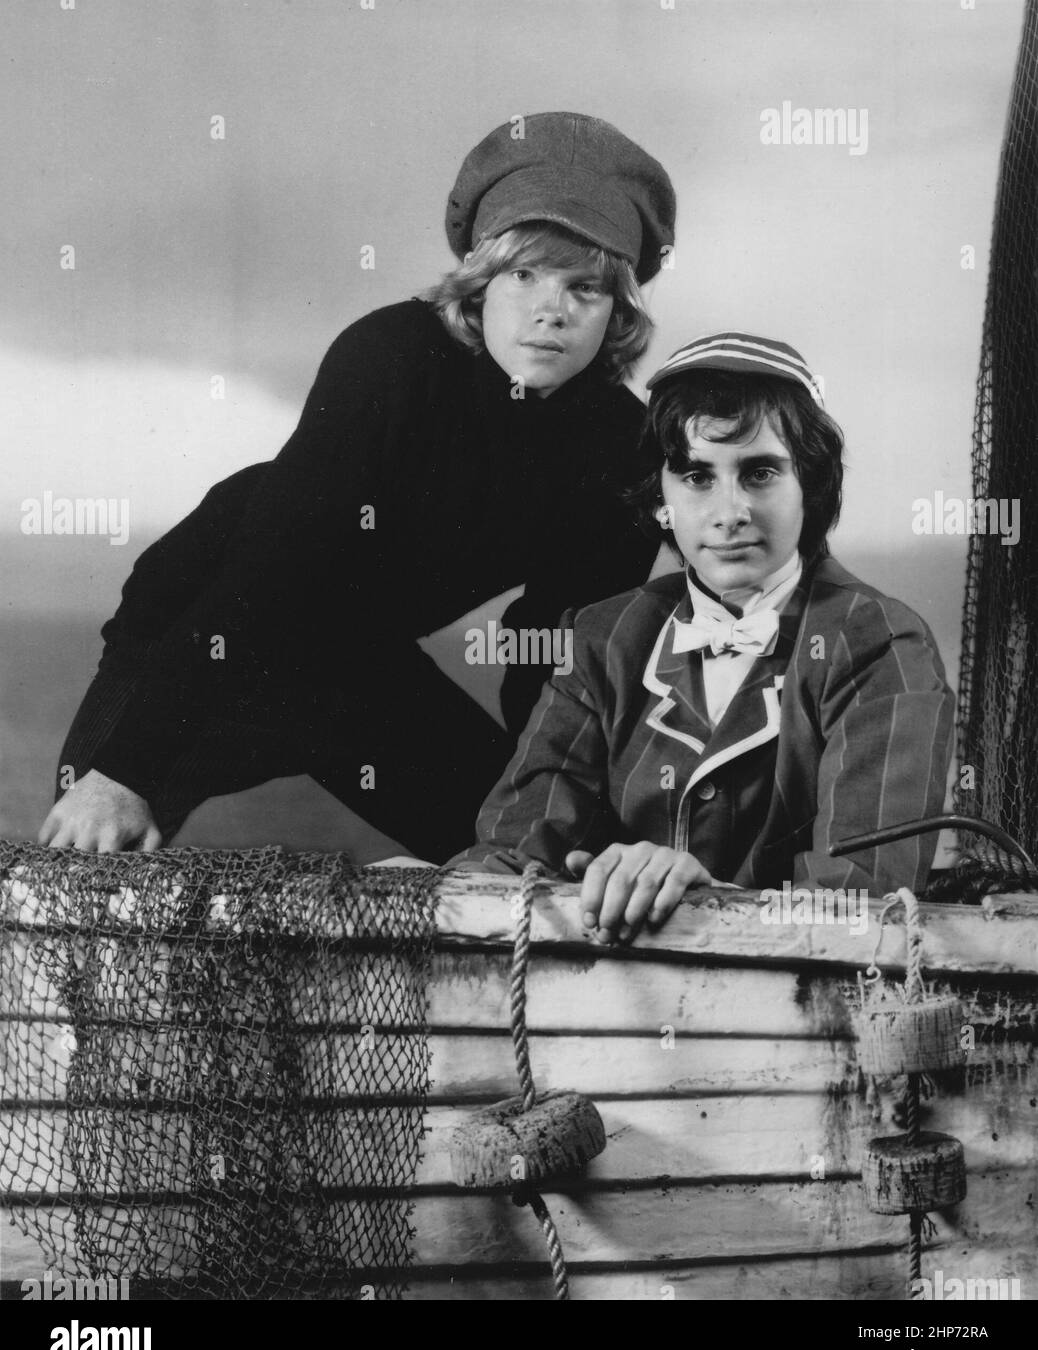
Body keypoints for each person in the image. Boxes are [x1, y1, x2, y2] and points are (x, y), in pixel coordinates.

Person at [38, 112, 676, 861]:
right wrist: (123, 774)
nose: (550, 309)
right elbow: (266, 576)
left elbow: (550, 650)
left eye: (585, 288)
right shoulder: (391, 358)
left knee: (520, 854)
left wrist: (543, 808)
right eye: (524, 274)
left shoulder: (624, 450)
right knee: (93, 857)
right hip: (202, 631)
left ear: (620, 309)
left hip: (355, 666)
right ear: (479, 281)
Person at [451, 333, 956, 937]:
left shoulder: (881, 642)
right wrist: (434, 892)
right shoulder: (603, 636)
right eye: (695, 476)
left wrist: (707, 896)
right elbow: (515, 853)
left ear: (812, 485)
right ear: (661, 493)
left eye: (760, 472)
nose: (728, 511)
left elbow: (864, 897)